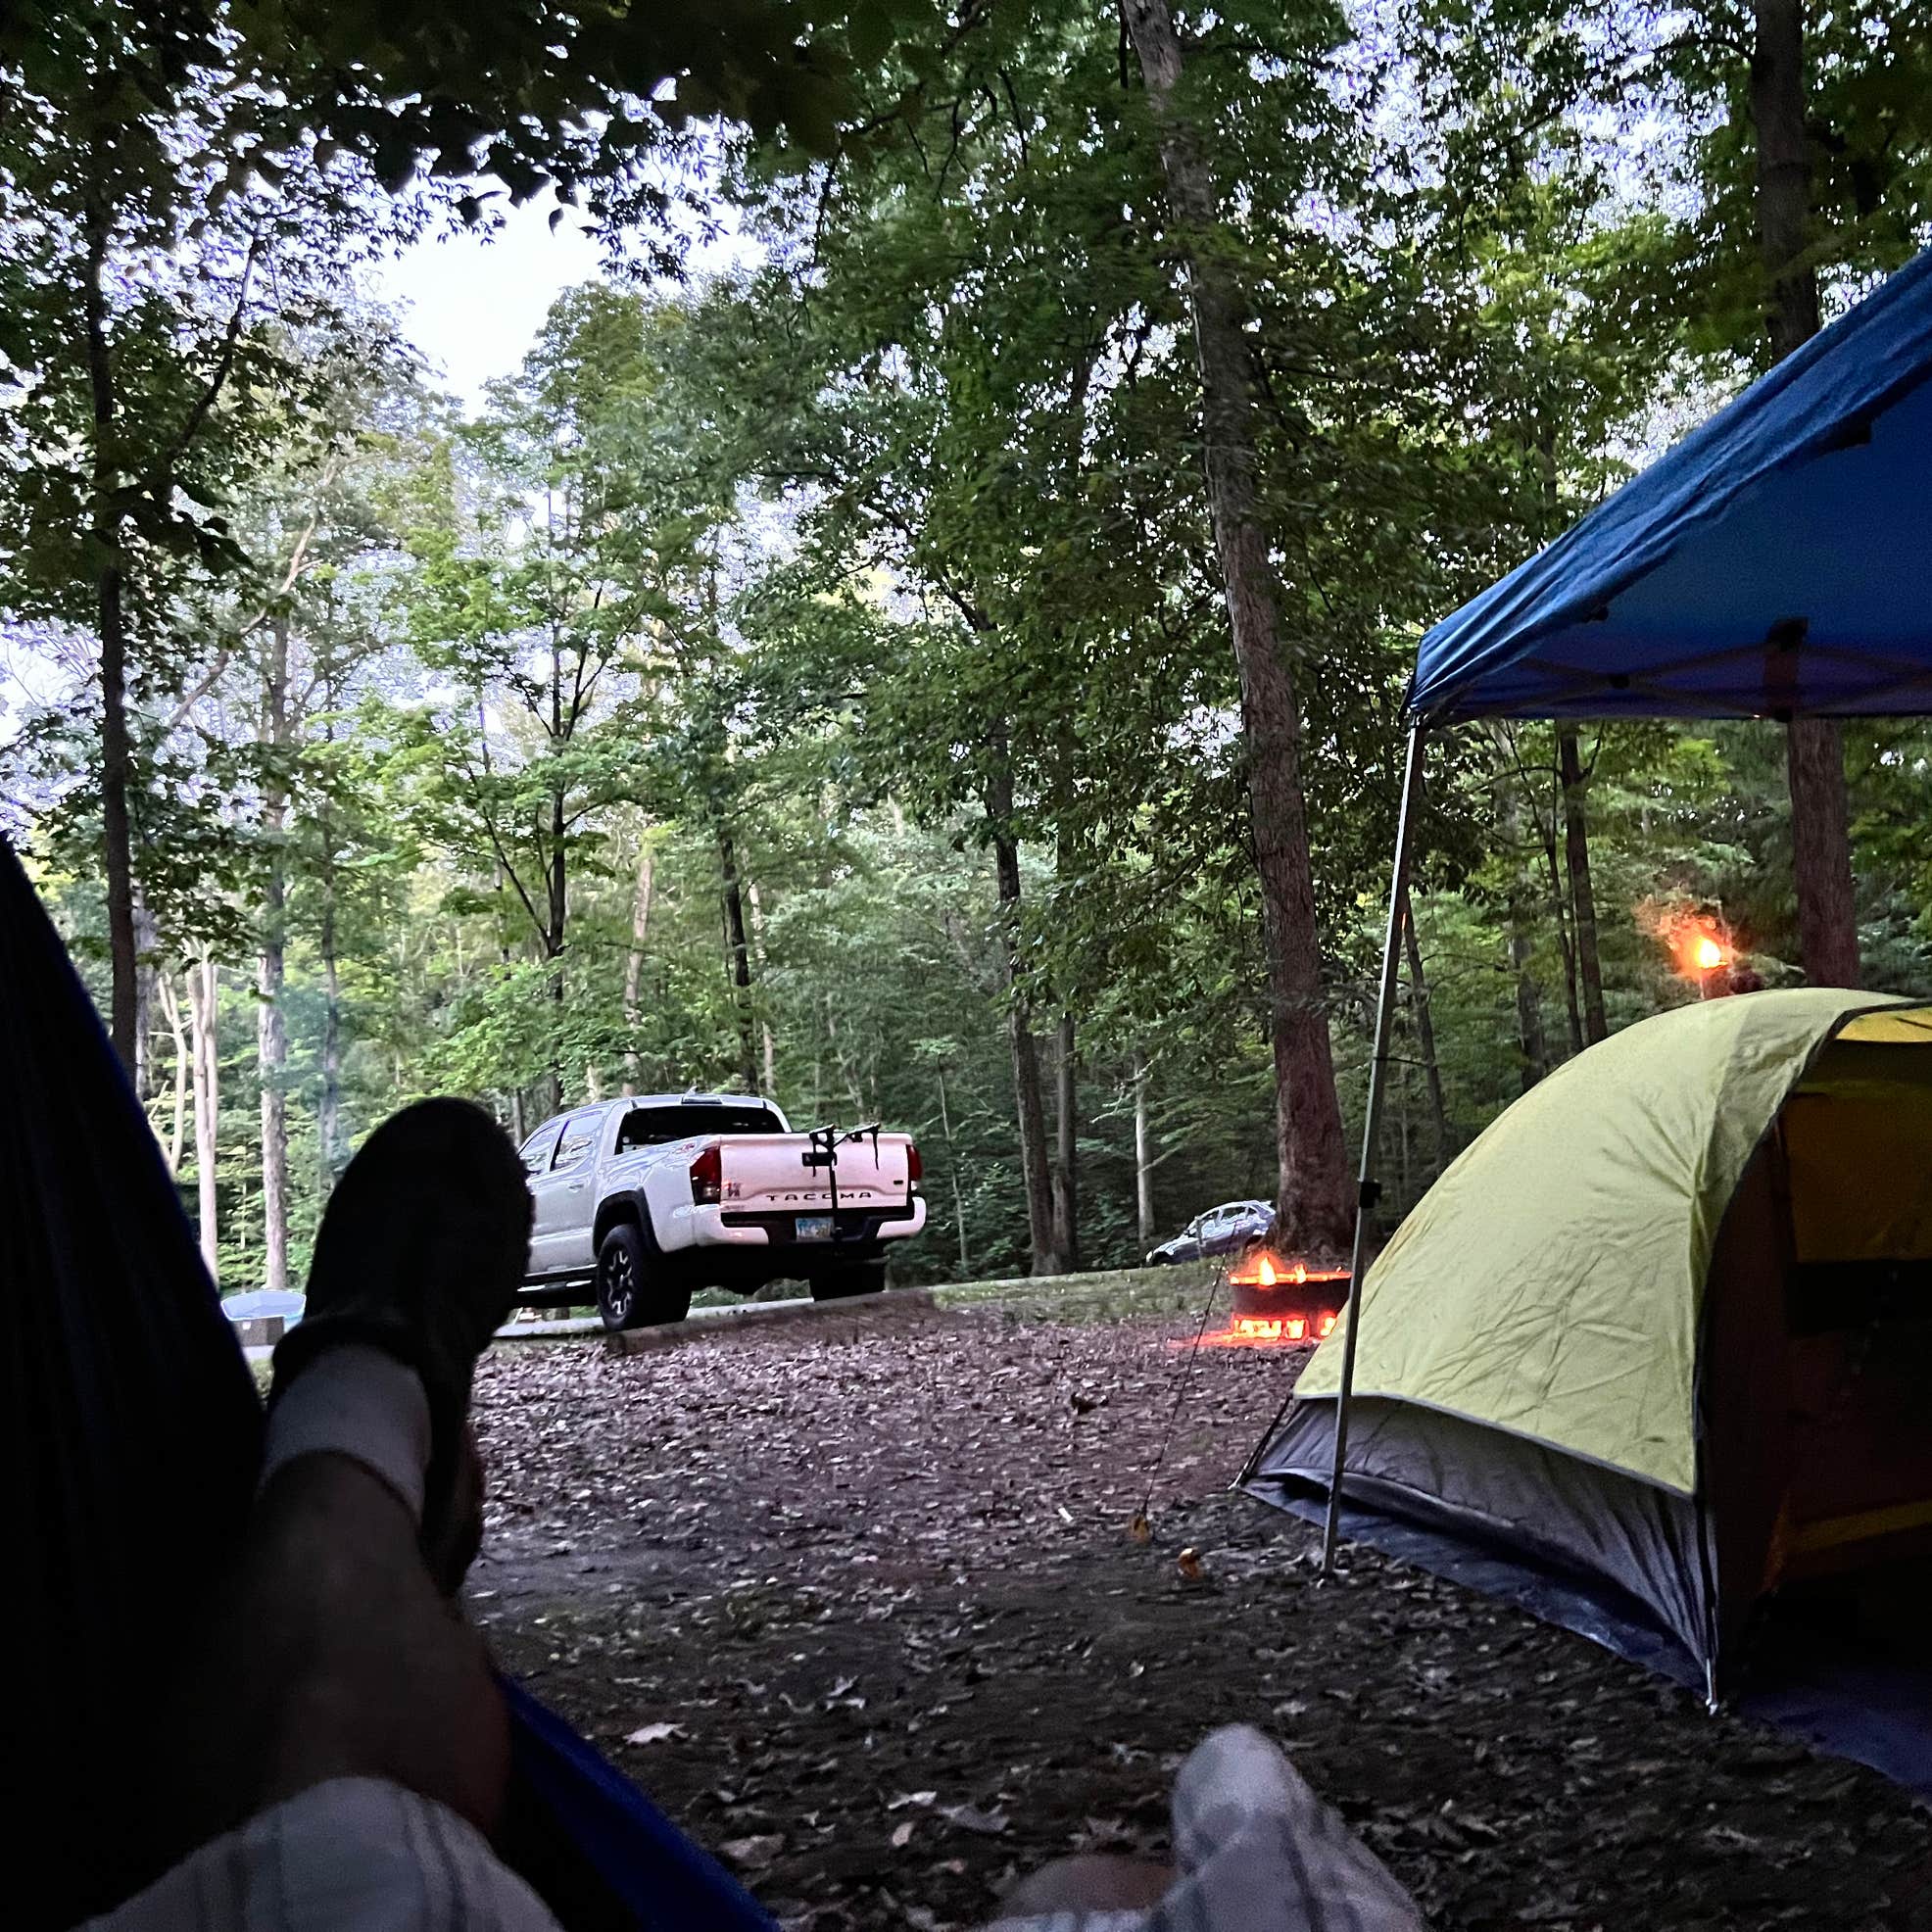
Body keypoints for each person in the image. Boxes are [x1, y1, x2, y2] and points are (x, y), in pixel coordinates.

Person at [89, 1098, 1426, 1932]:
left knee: (334, 1822)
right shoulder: (634, 1161)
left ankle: (360, 1432)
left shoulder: (619, 1176)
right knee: (1091, 1887)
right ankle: (376, 1429)